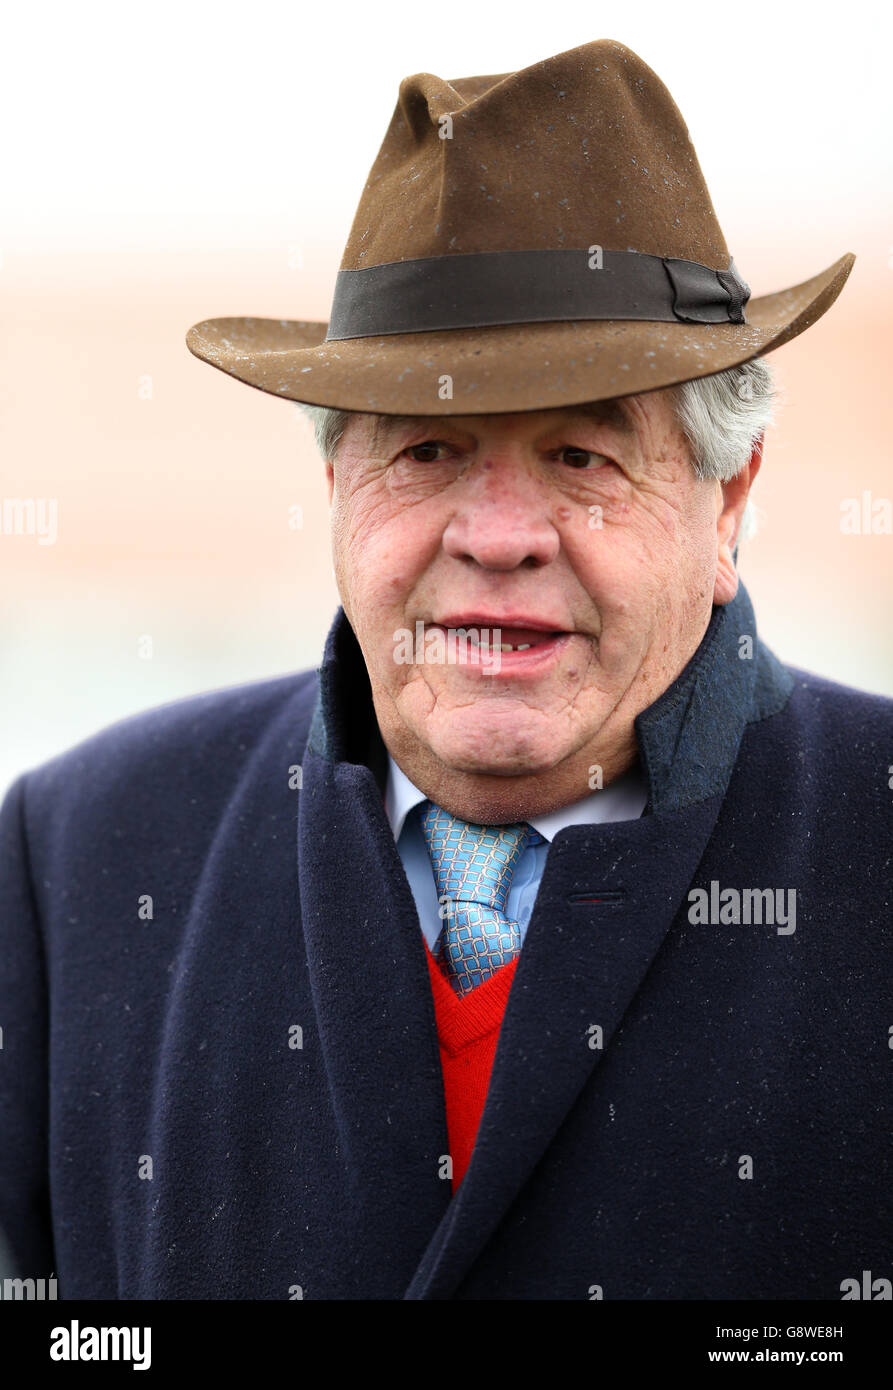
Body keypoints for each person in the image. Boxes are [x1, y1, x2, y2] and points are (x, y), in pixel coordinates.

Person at [1, 38, 889, 1301]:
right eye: (424, 449)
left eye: (583, 455)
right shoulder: (81, 855)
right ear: (333, 488)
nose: (495, 534)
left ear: (726, 499)